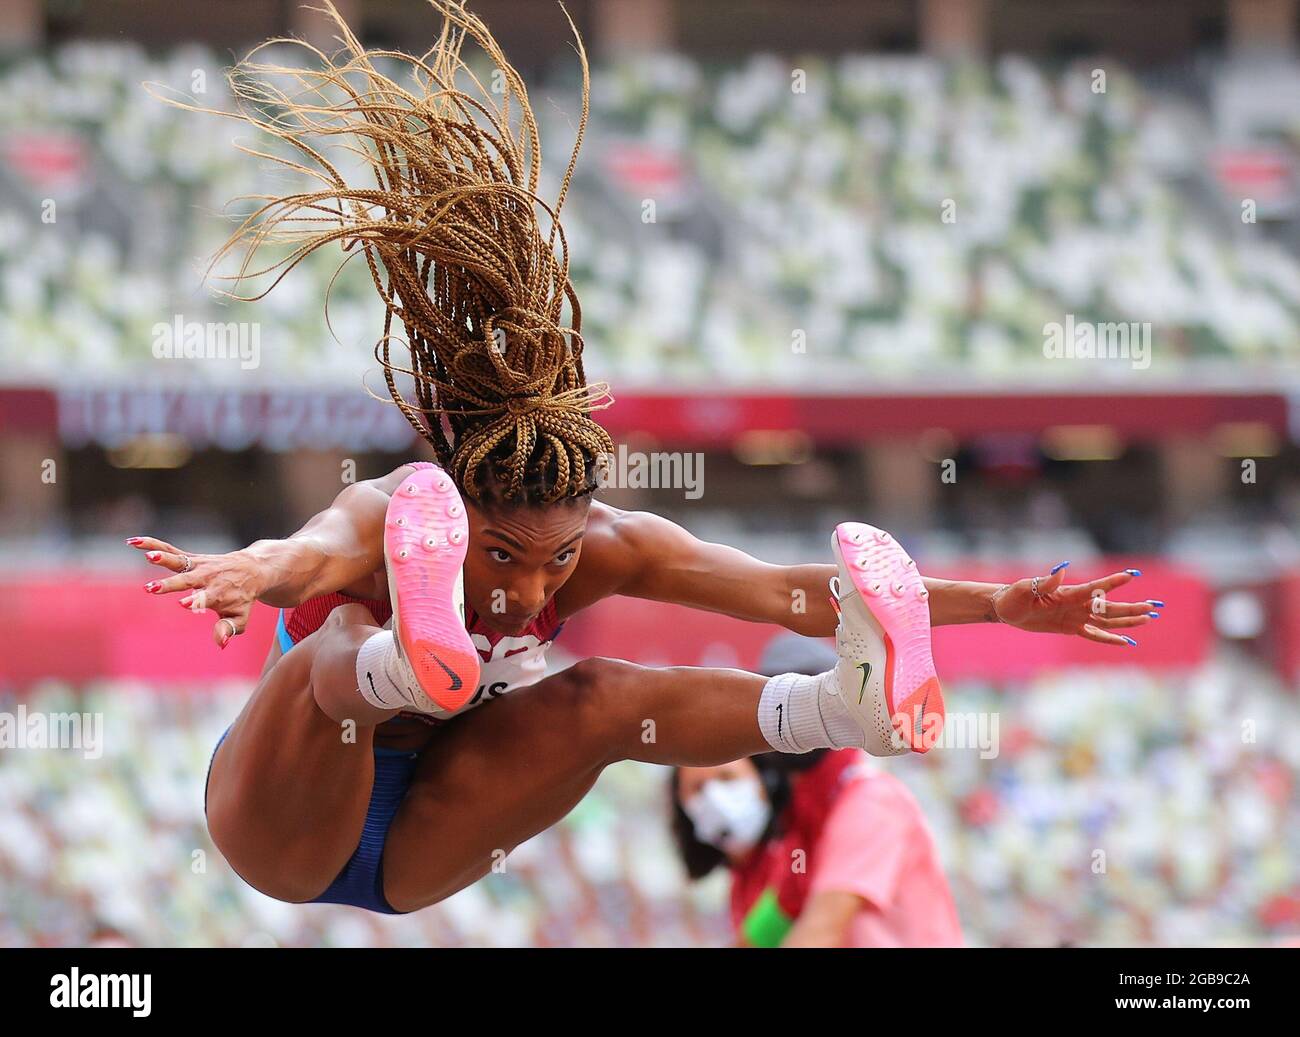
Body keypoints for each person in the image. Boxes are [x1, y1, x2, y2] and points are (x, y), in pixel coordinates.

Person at [131, 1, 1162, 916]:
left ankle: (844, 710)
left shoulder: (608, 546)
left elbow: (788, 595)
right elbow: (305, 551)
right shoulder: (392, 512)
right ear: (451, 521)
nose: (533, 586)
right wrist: (249, 574)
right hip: (283, 820)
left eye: (558, 562)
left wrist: (1000, 605)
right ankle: (404, 662)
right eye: (501, 560)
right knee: (333, 642)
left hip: (425, 836)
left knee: (604, 692)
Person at [671, 634, 962, 947]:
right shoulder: (804, 823)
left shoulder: (870, 803)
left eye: (814, 703)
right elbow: (769, 926)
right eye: (784, 707)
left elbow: (821, 930)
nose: (800, 720)